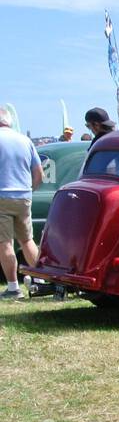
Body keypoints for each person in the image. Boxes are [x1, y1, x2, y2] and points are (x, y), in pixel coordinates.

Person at [0, 110, 43, 300]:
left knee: (5, 243)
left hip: (1, 195)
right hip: (24, 195)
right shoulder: (25, 141)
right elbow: (39, 173)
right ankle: (40, 281)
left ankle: (13, 287)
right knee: (27, 240)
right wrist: (30, 190)